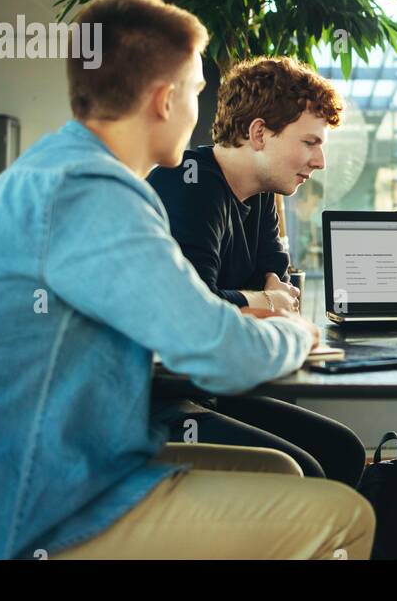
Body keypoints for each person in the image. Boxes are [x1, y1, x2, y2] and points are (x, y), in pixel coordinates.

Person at [0, 0, 373, 559]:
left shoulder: (58, 172)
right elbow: (217, 348)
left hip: (43, 478)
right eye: (195, 93)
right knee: (346, 518)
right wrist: (296, 332)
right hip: (18, 519)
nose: (202, 113)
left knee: (284, 473)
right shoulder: (91, 192)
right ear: (164, 100)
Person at [147, 56, 366, 487]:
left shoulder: (262, 191)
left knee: (342, 448)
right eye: (309, 142)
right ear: (259, 133)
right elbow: (198, 308)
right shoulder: (188, 185)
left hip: (203, 391)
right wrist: (264, 300)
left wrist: (263, 296)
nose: (320, 160)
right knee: (306, 469)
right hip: (149, 404)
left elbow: (275, 272)